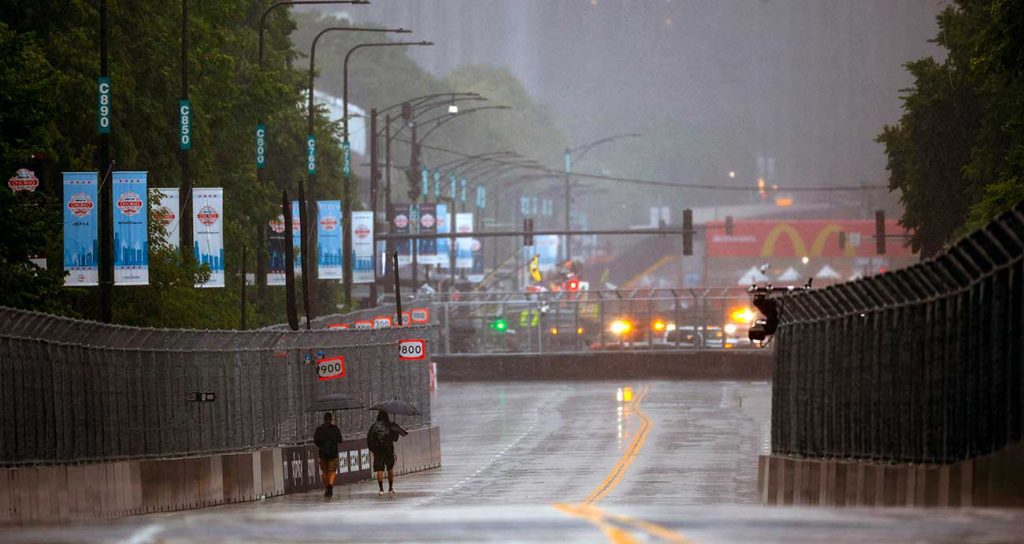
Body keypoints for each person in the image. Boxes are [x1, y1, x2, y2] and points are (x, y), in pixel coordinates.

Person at [367, 410, 406, 496]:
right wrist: (394, 431)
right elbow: (395, 439)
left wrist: (373, 450)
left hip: (378, 451)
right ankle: (390, 488)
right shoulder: (390, 426)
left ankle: (381, 489)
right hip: (388, 450)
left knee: (379, 469)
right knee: (390, 468)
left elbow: (369, 440)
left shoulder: (373, 427)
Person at [314, 412, 343, 497]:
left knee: (324, 471)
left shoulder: (319, 429)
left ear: (324, 419)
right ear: (331, 419)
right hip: (333, 453)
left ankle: (327, 487)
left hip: (322, 453)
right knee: (332, 470)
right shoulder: (335, 428)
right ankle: (330, 484)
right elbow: (340, 440)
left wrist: (322, 445)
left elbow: (316, 441)